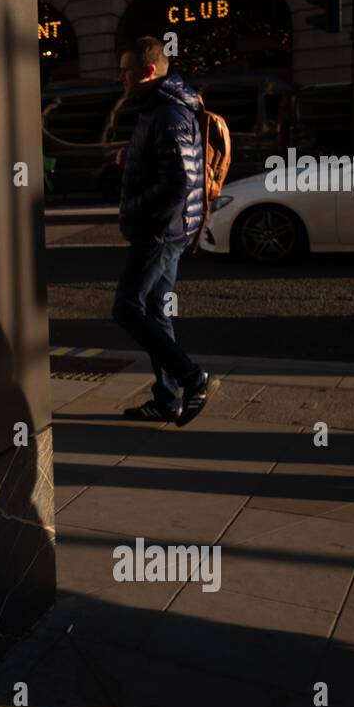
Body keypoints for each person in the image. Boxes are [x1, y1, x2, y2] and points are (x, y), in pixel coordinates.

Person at [113, 36, 215, 426]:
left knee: (126, 308)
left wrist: (135, 210)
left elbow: (179, 182)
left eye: (125, 70)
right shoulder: (155, 108)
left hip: (159, 232)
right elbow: (167, 164)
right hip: (169, 229)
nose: (119, 77)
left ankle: (192, 377)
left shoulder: (168, 114)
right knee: (156, 311)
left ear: (148, 71)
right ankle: (167, 399)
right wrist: (132, 157)